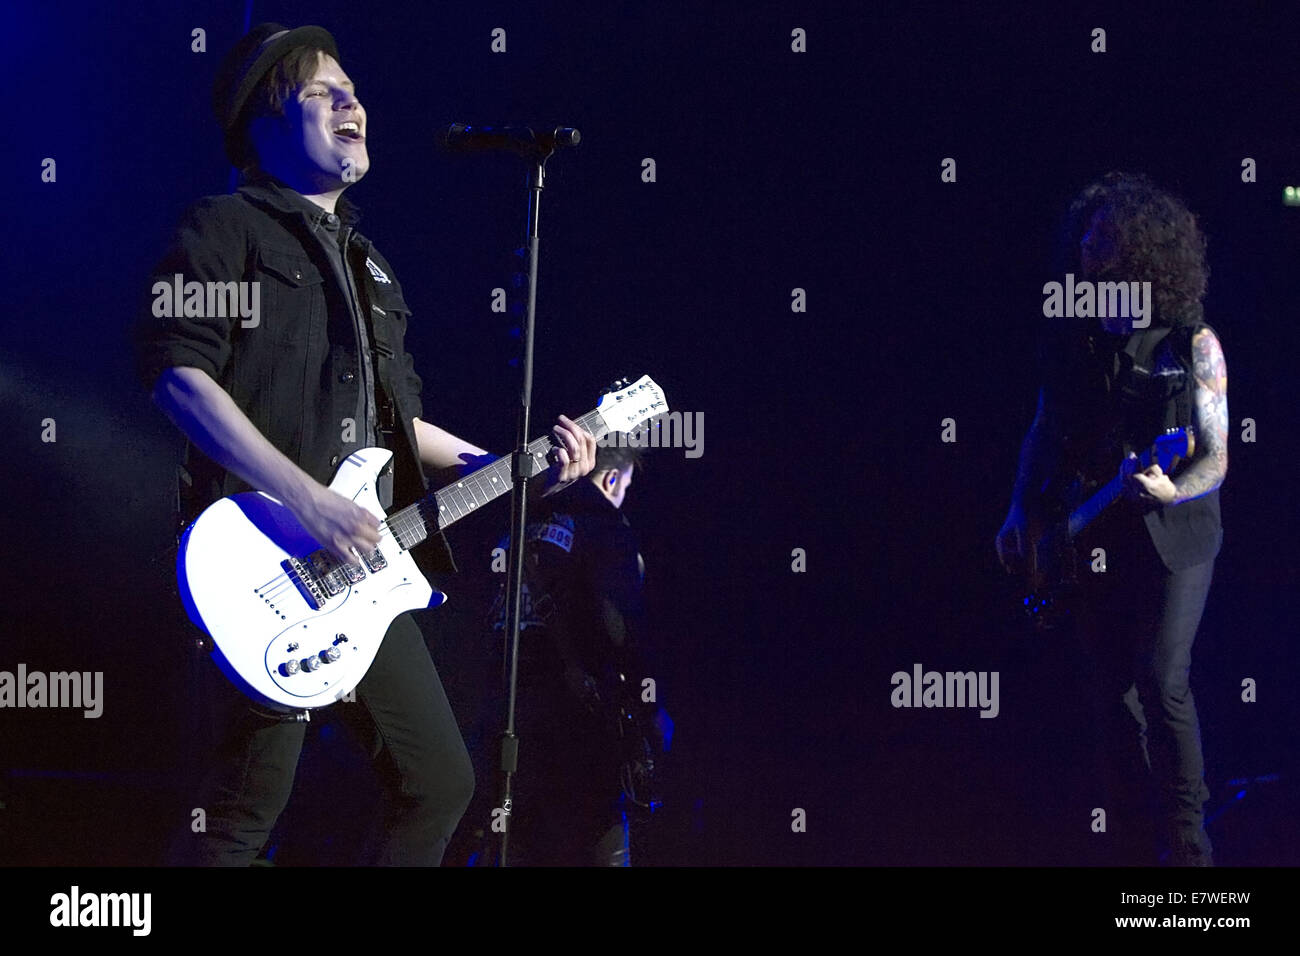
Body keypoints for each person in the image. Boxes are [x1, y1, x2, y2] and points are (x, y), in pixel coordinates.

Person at [134, 22, 596, 865]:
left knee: (440, 782)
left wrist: (510, 469)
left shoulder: (371, 268)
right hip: (263, 563)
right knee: (245, 808)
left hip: (366, 571)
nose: (354, 106)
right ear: (264, 121)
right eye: (324, 94)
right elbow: (177, 375)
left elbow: (400, 426)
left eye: (355, 92)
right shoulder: (225, 226)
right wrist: (305, 497)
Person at [995, 171, 1227, 866]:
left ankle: (1190, 849)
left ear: (1141, 250)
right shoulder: (1077, 336)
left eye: (1105, 235)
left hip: (1178, 533)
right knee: (1113, 694)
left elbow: (1215, 458)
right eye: (1086, 235)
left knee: (1163, 677)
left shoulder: (1194, 345)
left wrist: (1173, 491)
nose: (1090, 248)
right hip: (1099, 531)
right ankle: (1130, 844)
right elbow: (1045, 421)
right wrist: (1018, 506)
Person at [470, 442, 671, 865]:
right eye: (625, 486)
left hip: (497, 704)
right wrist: (651, 709)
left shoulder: (520, 518)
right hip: (572, 709)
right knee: (599, 827)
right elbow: (620, 624)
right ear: (613, 478)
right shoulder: (604, 522)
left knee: (506, 834)